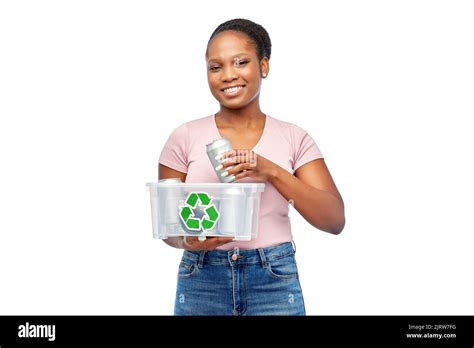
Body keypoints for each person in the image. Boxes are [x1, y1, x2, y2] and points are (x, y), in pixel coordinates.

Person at [158, 18, 345, 316]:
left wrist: (270, 171)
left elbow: (334, 220)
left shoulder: (293, 137)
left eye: (241, 62)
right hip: (202, 278)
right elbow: (168, 226)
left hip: (273, 277)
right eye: (215, 67)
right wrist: (187, 241)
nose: (228, 75)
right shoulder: (184, 137)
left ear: (264, 66)